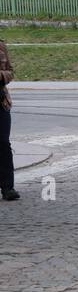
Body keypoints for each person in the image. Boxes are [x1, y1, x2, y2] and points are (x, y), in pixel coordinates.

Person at [1, 38, 17, 201]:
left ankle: (8, 188)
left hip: (1, 102)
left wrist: (1, 75)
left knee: (4, 144)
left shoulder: (1, 45)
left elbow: (10, 71)